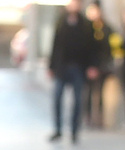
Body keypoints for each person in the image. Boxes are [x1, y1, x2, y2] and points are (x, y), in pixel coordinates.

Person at [48, 0, 101, 142]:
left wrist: (92, 66)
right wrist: (51, 66)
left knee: (78, 100)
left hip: (78, 67)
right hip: (62, 67)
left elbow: (92, 48)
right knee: (57, 97)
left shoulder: (86, 25)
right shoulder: (61, 22)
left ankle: (74, 131)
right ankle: (58, 129)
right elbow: (55, 45)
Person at [84, 2, 114, 129]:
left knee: (100, 93)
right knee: (89, 92)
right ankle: (88, 118)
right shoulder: (85, 27)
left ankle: (100, 118)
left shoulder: (106, 28)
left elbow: (111, 46)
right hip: (89, 66)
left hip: (102, 66)